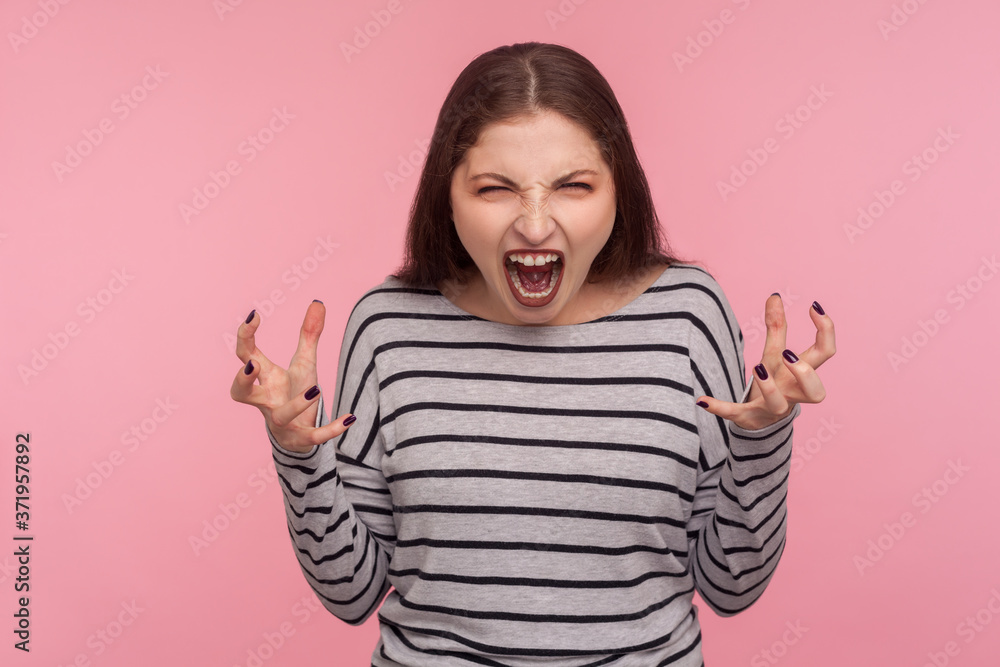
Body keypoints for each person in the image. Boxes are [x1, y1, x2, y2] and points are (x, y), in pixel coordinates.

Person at [230, 42, 835, 666]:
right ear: (448, 196)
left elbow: (731, 588)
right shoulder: (389, 324)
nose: (537, 225)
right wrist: (299, 453)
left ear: (618, 189)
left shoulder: (687, 315)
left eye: (574, 186)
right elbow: (350, 593)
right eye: (495, 188)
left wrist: (764, 440)